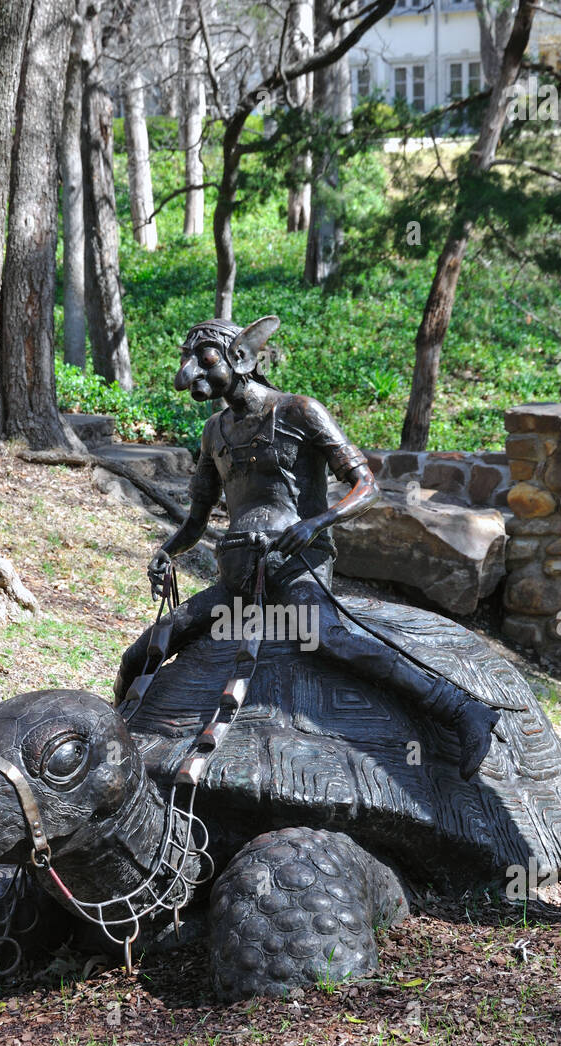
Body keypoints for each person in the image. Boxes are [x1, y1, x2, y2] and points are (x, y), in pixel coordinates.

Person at [115, 315, 500, 779]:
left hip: (296, 568)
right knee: (142, 653)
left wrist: (316, 524)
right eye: (187, 360)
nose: (190, 372)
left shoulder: (299, 411)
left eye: (205, 359)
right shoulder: (214, 433)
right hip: (238, 582)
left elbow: (366, 486)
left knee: (330, 638)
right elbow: (197, 520)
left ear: (241, 357)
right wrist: (167, 551)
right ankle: (118, 749)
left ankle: (462, 709)